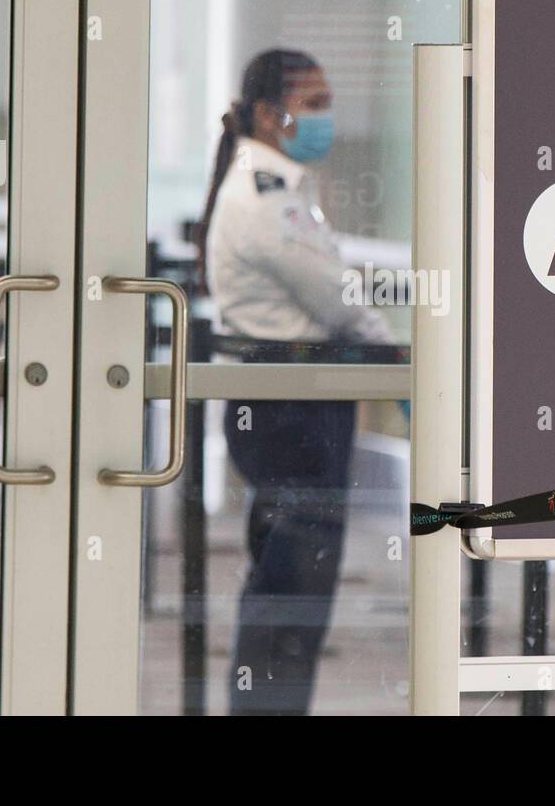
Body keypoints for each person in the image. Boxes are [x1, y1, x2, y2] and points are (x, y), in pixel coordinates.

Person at [200, 48, 391, 715]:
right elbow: (337, 300)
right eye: (312, 105)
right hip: (291, 403)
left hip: (288, 400)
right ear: (267, 114)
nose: (324, 119)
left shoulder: (278, 186)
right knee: (293, 585)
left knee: (292, 577)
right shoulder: (267, 200)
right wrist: (398, 359)